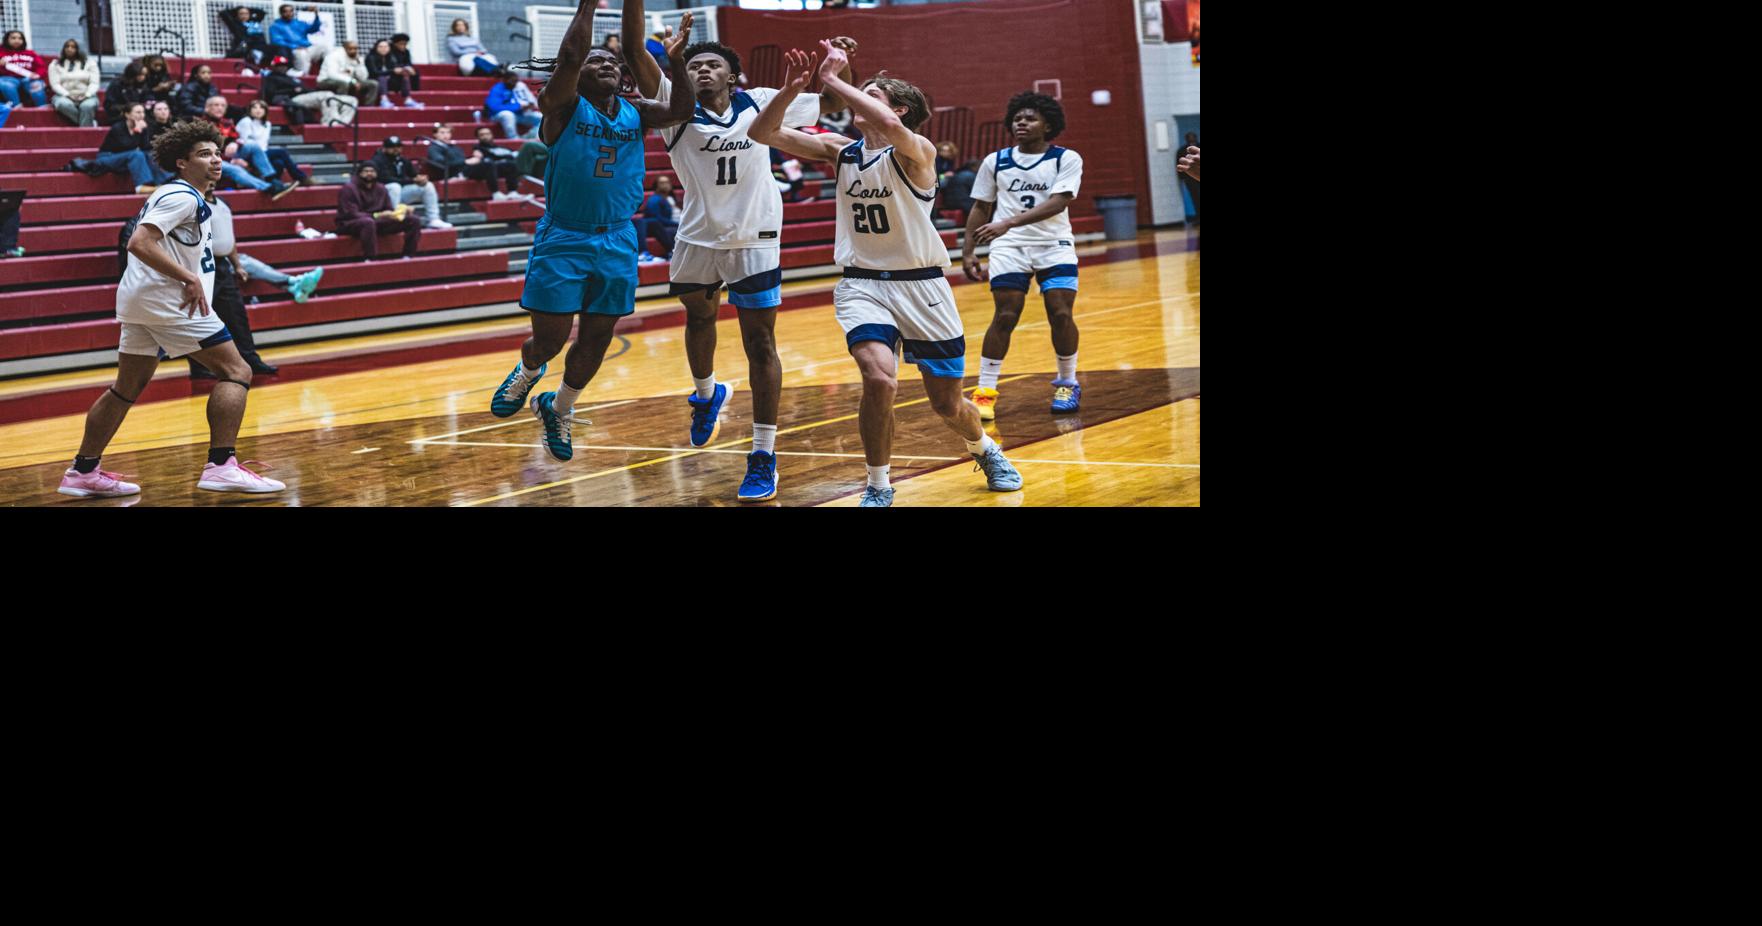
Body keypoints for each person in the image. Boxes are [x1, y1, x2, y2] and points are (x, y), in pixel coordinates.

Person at [750, 45, 1023, 507]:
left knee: (948, 405)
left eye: (868, 94)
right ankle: (878, 484)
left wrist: (834, 80)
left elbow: (894, 129)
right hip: (862, 283)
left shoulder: (918, 152)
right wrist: (794, 89)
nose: (855, 98)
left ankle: (985, 449)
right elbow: (762, 132)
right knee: (879, 380)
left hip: (923, 286)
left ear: (898, 108)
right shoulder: (841, 152)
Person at [620, 0, 854, 500]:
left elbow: (832, 104)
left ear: (733, 75)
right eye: (694, 65)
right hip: (698, 237)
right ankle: (706, 395)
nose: (701, 69)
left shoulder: (761, 100)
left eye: (712, 64)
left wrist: (839, 62)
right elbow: (638, 55)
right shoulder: (674, 104)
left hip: (755, 237)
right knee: (699, 319)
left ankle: (763, 455)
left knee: (760, 345)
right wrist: (662, 49)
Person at [487, 1, 695, 464]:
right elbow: (572, 54)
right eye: (595, 61)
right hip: (565, 236)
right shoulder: (560, 107)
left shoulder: (635, 112)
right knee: (550, 339)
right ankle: (527, 371)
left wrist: (676, 61)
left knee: (597, 338)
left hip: (619, 237)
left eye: (613, 63)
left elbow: (682, 108)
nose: (607, 65)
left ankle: (558, 408)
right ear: (576, 73)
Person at [58, 119, 286, 498]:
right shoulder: (181, 196)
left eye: (216, 153)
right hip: (169, 299)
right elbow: (140, 242)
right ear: (181, 161)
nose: (215, 160)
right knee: (237, 370)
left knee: (126, 387)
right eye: (203, 154)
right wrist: (188, 278)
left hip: (143, 300)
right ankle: (221, 465)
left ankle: (82, 472)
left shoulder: (186, 197)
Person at [963, 91, 1085, 418]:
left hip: (1053, 243)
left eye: (1030, 118)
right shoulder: (996, 161)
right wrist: (968, 251)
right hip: (1009, 247)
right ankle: (986, 392)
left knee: (1060, 312)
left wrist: (1009, 222)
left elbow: (1059, 202)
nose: (1021, 123)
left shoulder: (1065, 158)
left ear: (1048, 124)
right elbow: (980, 207)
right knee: (1005, 315)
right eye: (1017, 118)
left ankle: (1067, 382)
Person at [187, 182, 285, 378]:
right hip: (202, 267)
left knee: (237, 315)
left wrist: (238, 265)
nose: (212, 180)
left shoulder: (223, 204)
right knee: (201, 317)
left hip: (223, 266)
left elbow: (228, 239)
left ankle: (251, 359)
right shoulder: (192, 205)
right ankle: (199, 367)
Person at [201, 95, 295, 199]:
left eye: (223, 105)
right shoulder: (202, 125)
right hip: (209, 160)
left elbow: (238, 138)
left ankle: (272, 179)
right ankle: (269, 188)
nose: (220, 108)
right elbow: (203, 151)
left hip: (227, 155)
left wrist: (236, 143)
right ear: (207, 108)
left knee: (252, 144)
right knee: (236, 169)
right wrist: (232, 160)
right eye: (216, 105)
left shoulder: (226, 123)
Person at [336, 161, 422, 260]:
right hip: (350, 223)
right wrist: (376, 215)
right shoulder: (349, 188)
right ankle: (370, 259)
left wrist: (401, 211)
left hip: (377, 222)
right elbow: (350, 213)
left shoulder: (381, 188)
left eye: (372, 171)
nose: (369, 173)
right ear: (359, 173)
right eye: (366, 171)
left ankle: (408, 256)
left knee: (413, 220)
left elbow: (388, 209)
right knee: (368, 222)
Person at [371, 135, 450, 229]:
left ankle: (433, 219)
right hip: (382, 195)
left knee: (427, 186)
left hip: (400, 193)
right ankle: (393, 217)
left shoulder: (402, 159)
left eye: (398, 147)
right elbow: (386, 179)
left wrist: (420, 179)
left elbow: (413, 174)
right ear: (384, 148)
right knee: (394, 186)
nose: (396, 149)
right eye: (392, 147)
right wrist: (412, 180)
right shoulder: (378, 160)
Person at [260, 54, 354, 128]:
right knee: (327, 95)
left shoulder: (291, 78)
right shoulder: (271, 78)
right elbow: (270, 94)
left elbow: (306, 89)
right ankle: (330, 125)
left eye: (285, 65)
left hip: (307, 96)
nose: (283, 67)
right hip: (293, 99)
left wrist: (304, 89)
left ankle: (342, 124)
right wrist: (293, 90)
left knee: (352, 100)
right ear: (274, 67)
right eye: (279, 65)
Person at [97, 102, 173, 193]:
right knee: (137, 154)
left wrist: (144, 131)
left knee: (148, 154)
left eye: (143, 112)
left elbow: (146, 146)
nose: (141, 115)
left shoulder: (142, 126)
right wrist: (138, 130)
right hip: (108, 157)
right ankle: (141, 187)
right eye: (138, 112)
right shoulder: (118, 127)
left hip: (127, 158)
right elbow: (127, 146)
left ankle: (166, 181)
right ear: (127, 114)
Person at [234, 99, 310, 186]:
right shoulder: (246, 121)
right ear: (250, 110)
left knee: (279, 163)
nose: (258, 110)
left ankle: (273, 184)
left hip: (263, 153)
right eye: (254, 108)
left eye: (261, 108)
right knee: (282, 152)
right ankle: (301, 177)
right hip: (249, 154)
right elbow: (245, 142)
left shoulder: (267, 124)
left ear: (265, 111)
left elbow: (264, 143)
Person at [48, 39, 101, 126]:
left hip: (87, 95)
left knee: (87, 106)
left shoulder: (90, 63)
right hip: (63, 96)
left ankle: (85, 132)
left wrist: (87, 94)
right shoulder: (55, 64)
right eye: (67, 47)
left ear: (78, 49)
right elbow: (55, 84)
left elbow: (94, 83)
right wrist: (67, 94)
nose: (69, 49)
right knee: (63, 104)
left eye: (73, 47)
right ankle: (89, 124)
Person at [271, 4, 331, 75]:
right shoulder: (276, 26)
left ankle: (329, 73)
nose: (289, 13)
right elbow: (277, 41)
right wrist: (295, 46)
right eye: (286, 11)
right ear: (281, 13)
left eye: (291, 11)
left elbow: (314, 29)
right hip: (294, 50)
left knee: (324, 47)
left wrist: (316, 15)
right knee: (301, 54)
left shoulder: (299, 23)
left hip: (307, 47)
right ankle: (304, 78)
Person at [319, 39, 379, 108]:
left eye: (356, 49)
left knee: (373, 84)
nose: (353, 51)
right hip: (326, 81)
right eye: (350, 49)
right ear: (344, 48)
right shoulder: (334, 56)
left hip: (351, 82)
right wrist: (352, 81)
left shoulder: (357, 57)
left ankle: (369, 108)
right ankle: (341, 107)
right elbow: (332, 74)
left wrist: (359, 64)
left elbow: (363, 77)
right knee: (343, 84)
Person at [472, 125, 528, 198]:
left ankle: (512, 192)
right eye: (482, 135)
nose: (485, 136)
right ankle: (496, 194)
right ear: (478, 137)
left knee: (511, 164)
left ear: (492, 135)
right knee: (490, 164)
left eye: (487, 134)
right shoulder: (477, 148)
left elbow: (511, 154)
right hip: (487, 171)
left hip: (500, 169)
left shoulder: (499, 147)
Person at [632, 174, 677, 262]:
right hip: (667, 225)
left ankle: (672, 253)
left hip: (675, 224)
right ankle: (644, 254)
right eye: (662, 183)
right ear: (656, 186)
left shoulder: (672, 198)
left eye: (667, 182)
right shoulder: (655, 199)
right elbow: (656, 217)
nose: (666, 185)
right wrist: (679, 224)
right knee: (649, 222)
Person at [484, 71, 541, 138]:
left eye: (516, 81)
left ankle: (531, 136)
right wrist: (518, 107)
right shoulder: (497, 88)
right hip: (497, 115)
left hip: (518, 114)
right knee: (508, 115)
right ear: (505, 80)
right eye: (512, 81)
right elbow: (494, 107)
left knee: (540, 117)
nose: (514, 83)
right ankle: (513, 139)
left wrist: (527, 106)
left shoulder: (517, 87)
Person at [0, 31, 48, 107]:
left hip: (28, 78)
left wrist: (38, 75)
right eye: (13, 38)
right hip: (8, 78)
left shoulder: (30, 53)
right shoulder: (1, 52)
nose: (17, 40)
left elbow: (41, 67)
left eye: (20, 38)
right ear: (7, 40)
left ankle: (43, 108)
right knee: (5, 84)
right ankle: (17, 107)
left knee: (36, 85)